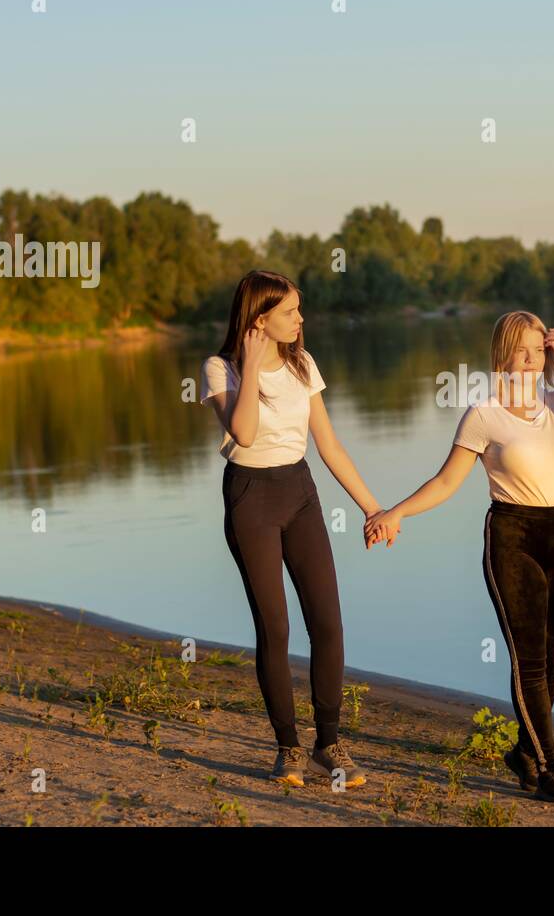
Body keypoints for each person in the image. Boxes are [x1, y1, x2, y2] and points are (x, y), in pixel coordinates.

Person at [366, 311, 554, 802]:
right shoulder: (484, 415)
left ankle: (524, 751)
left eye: (537, 349)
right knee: (530, 663)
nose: (529, 359)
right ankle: (549, 767)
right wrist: (396, 512)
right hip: (512, 537)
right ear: (501, 357)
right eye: (519, 350)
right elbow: (446, 481)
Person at [200, 269, 384, 789]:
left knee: (327, 621)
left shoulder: (303, 364)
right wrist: (253, 365)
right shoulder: (221, 368)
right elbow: (244, 431)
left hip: (300, 493)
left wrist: (372, 507)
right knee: (274, 629)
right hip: (251, 498)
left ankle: (329, 745)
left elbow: (328, 445)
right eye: (290, 312)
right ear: (260, 320)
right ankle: (288, 747)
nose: (301, 320)